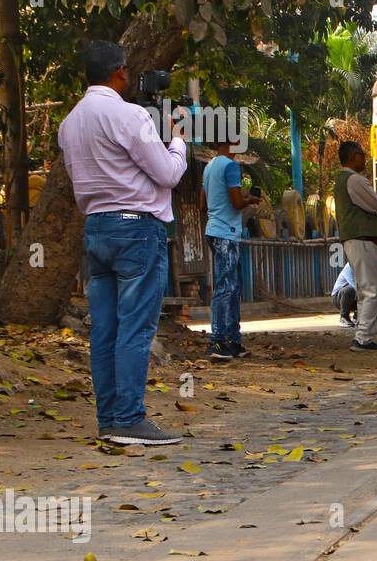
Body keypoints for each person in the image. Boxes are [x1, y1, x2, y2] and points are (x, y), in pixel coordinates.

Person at [59, 40, 187, 446]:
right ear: (118, 72)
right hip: (135, 229)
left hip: (97, 228)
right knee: (135, 328)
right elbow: (167, 173)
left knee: (106, 330)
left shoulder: (70, 123)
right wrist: (178, 141)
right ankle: (129, 418)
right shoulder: (128, 115)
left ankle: (109, 417)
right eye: (127, 71)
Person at [334, 140, 377, 352]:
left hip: (356, 240)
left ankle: (363, 336)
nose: (365, 157)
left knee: (365, 291)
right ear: (353, 156)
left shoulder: (344, 180)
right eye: (362, 154)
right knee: (372, 291)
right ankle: (364, 338)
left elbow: (369, 203)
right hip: (362, 241)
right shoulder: (354, 179)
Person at [201, 137, 261, 361]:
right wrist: (250, 199)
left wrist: (238, 198)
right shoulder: (231, 166)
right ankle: (218, 340)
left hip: (214, 228)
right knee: (227, 286)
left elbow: (203, 203)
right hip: (226, 232)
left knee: (232, 286)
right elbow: (236, 203)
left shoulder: (209, 167)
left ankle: (233, 340)